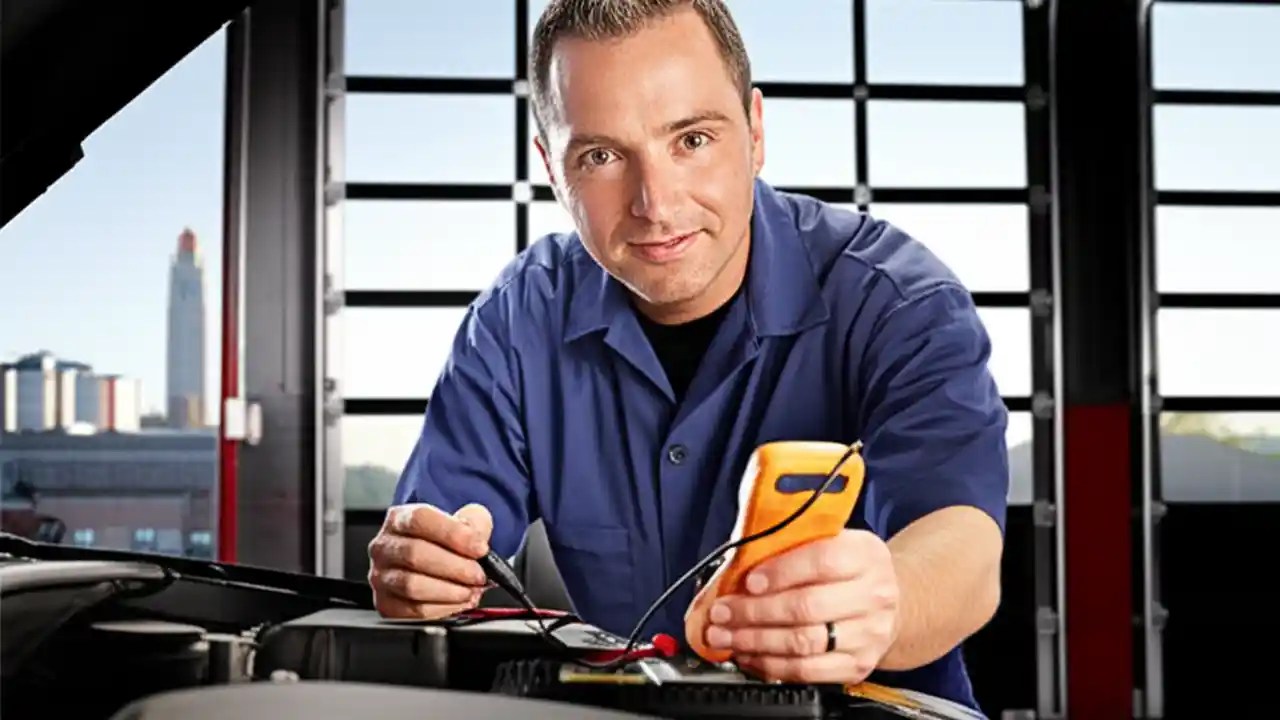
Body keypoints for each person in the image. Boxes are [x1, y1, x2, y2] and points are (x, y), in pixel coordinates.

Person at [367, 0, 1008, 711]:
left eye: (692, 140)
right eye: (602, 156)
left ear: (756, 131)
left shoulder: (900, 301)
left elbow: (966, 553)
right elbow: (444, 549)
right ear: (553, 168)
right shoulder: (517, 318)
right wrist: (423, 571)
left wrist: (886, 603)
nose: (656, 202)